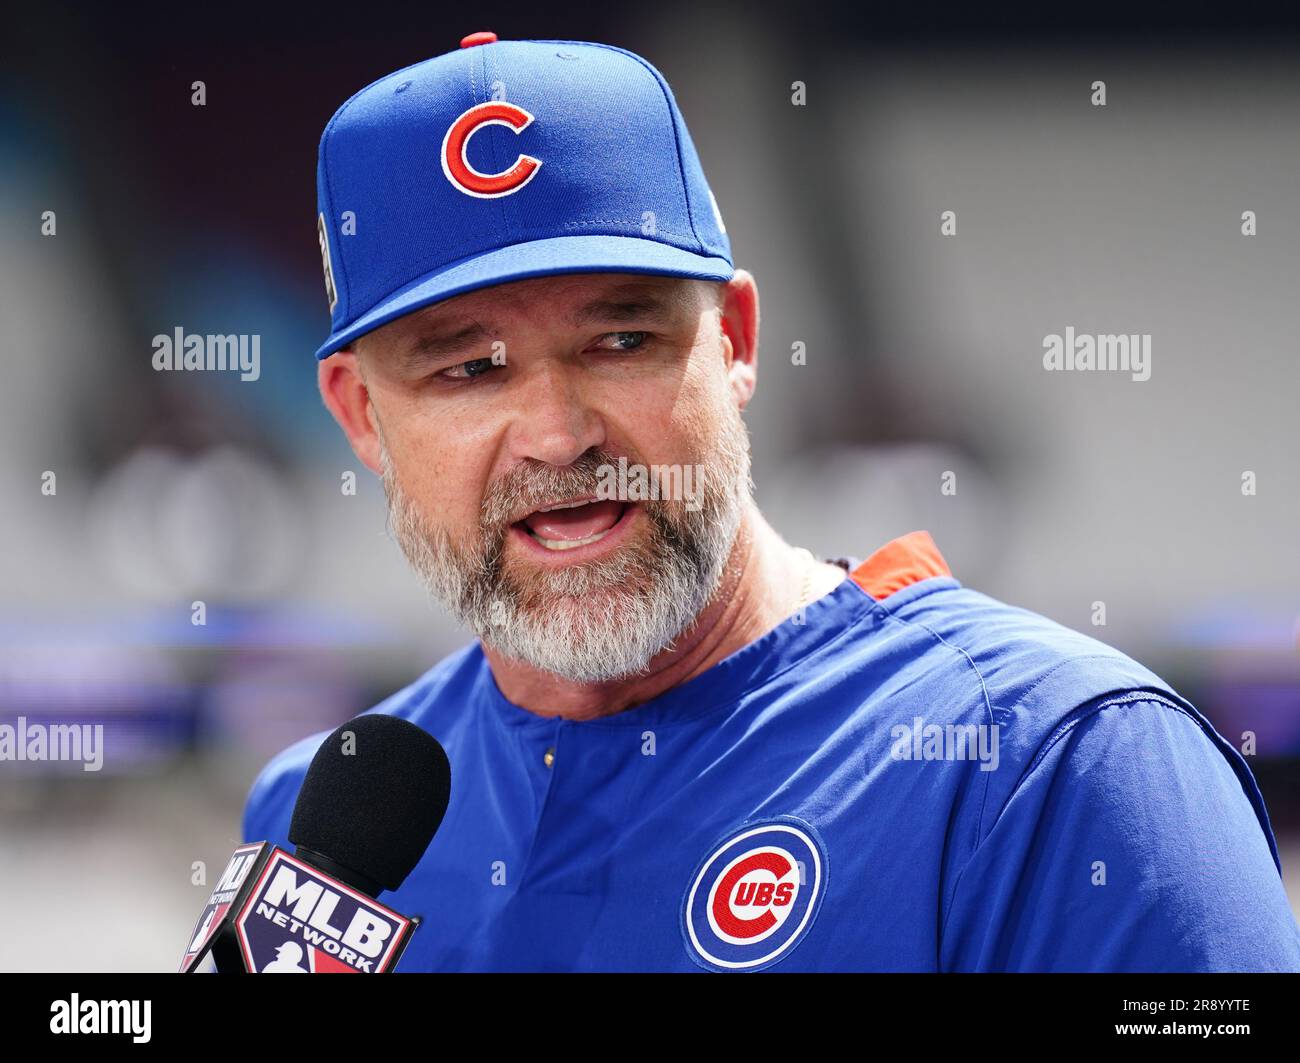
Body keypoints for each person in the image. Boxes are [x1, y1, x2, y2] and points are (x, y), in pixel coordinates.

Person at [243, 33, 1300, 972]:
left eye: (621, 341)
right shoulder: (313, 834)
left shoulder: (1063, 766)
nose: (559, 434)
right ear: (360, 416)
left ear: (735, 343)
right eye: (467, 370)